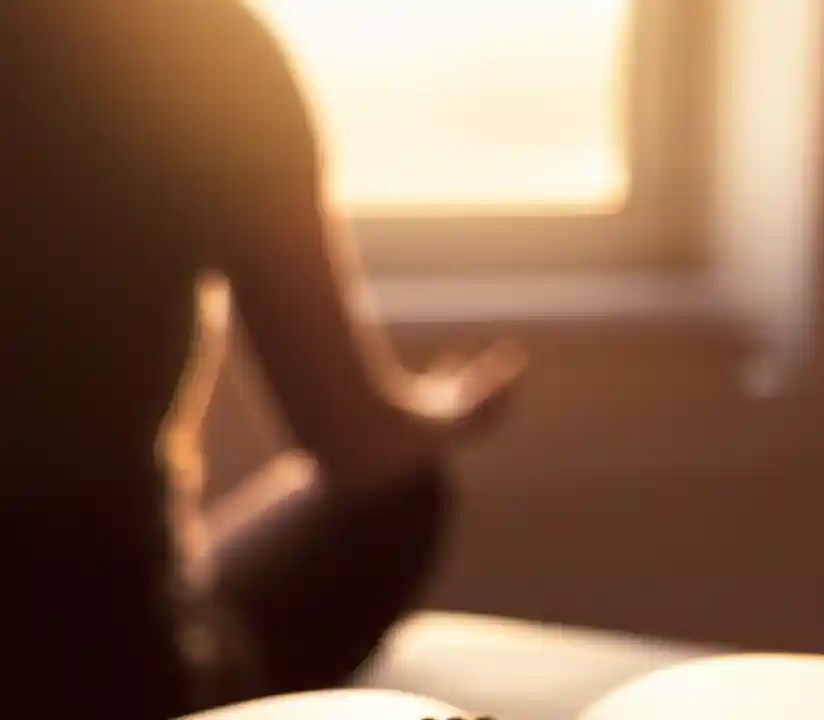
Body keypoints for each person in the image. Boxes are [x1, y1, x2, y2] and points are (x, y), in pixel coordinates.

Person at [0, 1, 526, 716]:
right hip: (120, 672)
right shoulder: (202, 50)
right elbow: (356, 441)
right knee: (405, 490)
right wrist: (453, 407)